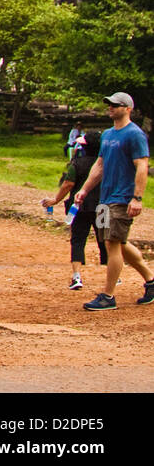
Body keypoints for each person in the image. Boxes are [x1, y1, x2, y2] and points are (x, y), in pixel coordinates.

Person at [74, 92, 154, 310]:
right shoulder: (108, 134)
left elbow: (142, 166)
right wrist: (84, 190)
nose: (110, 107)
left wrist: (137, 198)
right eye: (109, 104)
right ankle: (151, 280)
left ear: (127, 108)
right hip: (105, 197)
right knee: (118, 242)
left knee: (112, 243)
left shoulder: (134, 135)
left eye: (115, 105)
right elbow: (99, 165)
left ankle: (108, 296)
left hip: (122, 197)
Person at [41, 130, 108, 290]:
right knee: (105, 240)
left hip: (80, 207)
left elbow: (68, 184)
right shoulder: (106, 163)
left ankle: (77, 277)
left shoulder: (77, 163)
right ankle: (112, 274)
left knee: (78, 239)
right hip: (102, 207)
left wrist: (56, 199)